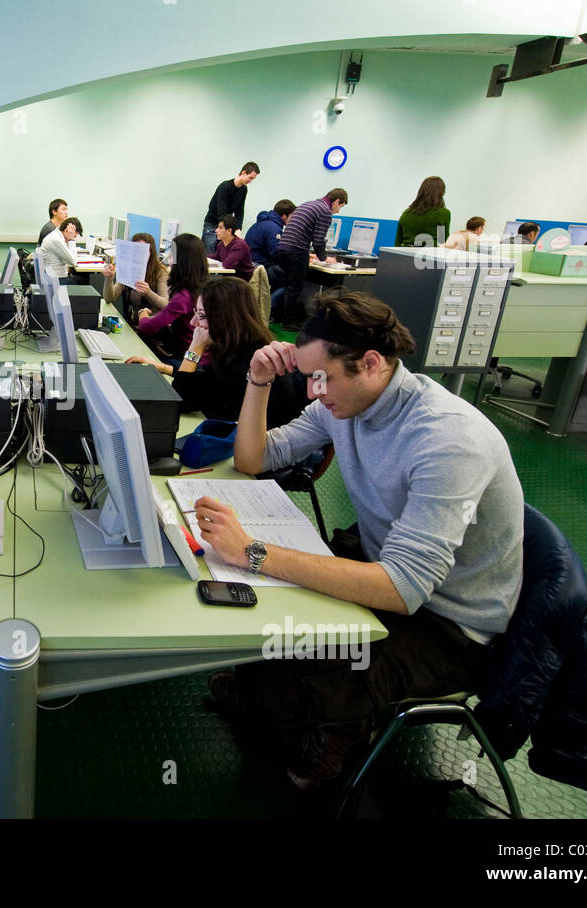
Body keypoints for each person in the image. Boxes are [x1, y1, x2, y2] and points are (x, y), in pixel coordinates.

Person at [202, 290, 524, 790]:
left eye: (321, 377)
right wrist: (259, 381)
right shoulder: (345, 402)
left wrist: (254, 552)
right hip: (388, 571)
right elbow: (254, 459)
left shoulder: (447, 439)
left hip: (450, 625)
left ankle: (340, 732)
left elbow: (403, 590)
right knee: (265, 630)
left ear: (371, 363)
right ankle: (287, 702)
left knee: (312, 664)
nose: (313, 392)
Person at [126, 276, 303, 426]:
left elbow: (181, 400)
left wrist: (195, 347)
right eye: (196, 313)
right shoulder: (242, 345)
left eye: (202, 316)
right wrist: (163, 368)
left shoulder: (246, 364)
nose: (193, 322)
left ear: (226, 319)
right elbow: (209, 381)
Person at [275, 188, 348, 327]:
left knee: (289, 286)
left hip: (284, 248)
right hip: (297, 250)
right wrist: (324, 258)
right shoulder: (325, 211)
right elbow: (319, 240)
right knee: (295, 288)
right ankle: (289, 322)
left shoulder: (307, 204)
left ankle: (279, 316)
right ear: (337, 201)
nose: (338, 211)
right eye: (341, 207)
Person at [137, 232, 208, 362]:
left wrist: (143, 315)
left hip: (190, 359)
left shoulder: (183, 296)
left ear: (181, 261)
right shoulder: (204, 288)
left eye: (172, 254)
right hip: (203, 357)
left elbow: (147, 327)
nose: (169, 257)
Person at [101, 231, 169, 319]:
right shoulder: (128, 268)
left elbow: (166, 305)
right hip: (134, 321)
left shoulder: (160, 272)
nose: (138, 255)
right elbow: (109, 298)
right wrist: (109, 279)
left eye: (142, 252)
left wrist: (148, 292)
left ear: (151, 253)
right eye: (135, 251)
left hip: (152, 322)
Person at [202, 162, 259, 254]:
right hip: (212, 226)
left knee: (222, 256)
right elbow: (221, 212)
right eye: (250, 178)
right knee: (210, 256)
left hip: (225, 227)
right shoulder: (224, 187)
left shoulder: (243, 190)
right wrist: (233, 228)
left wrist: (238, 229)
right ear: (244, 173)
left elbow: (240, 211)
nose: (250, 181)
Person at [247, 199, 295, 297]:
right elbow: (276, 254)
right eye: (292, 216)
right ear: (284, 216)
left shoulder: (262, 223)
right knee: (293, 282)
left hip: (252, 263)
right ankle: (270, 307)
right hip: (262, 265)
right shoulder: (274, 229)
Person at [394, 176, 451, 246]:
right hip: (430, 255)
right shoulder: (443, 213)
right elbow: (442, 242)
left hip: (405, 255)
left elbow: (397, 243)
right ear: (441, 194)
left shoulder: (406, 213)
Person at [210, 213, 255, 280]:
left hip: (242, 281)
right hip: (230, 278)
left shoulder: (239, 245)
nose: (216, 230)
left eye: (220, 228)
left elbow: (227, 264)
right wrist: (203, 258)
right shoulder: (221, 244)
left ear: (229, 231)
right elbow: (217, 257)